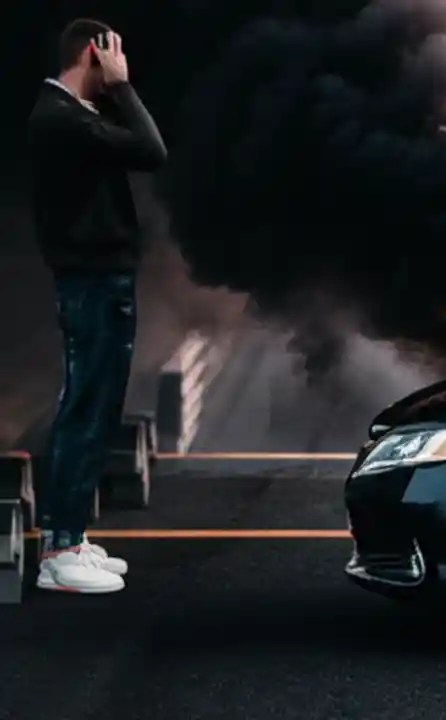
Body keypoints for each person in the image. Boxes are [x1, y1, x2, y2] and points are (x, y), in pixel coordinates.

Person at [28, 19, 167, 593]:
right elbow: (151, 151)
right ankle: (60, 550)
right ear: (96, 52)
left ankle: (73, 537)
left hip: (99, 279)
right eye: (115, 57)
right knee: (85, 408)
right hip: (91, 282)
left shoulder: (74, 118)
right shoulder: (62, 119)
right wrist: (124, 89)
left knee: (97, 406)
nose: (121, 67)